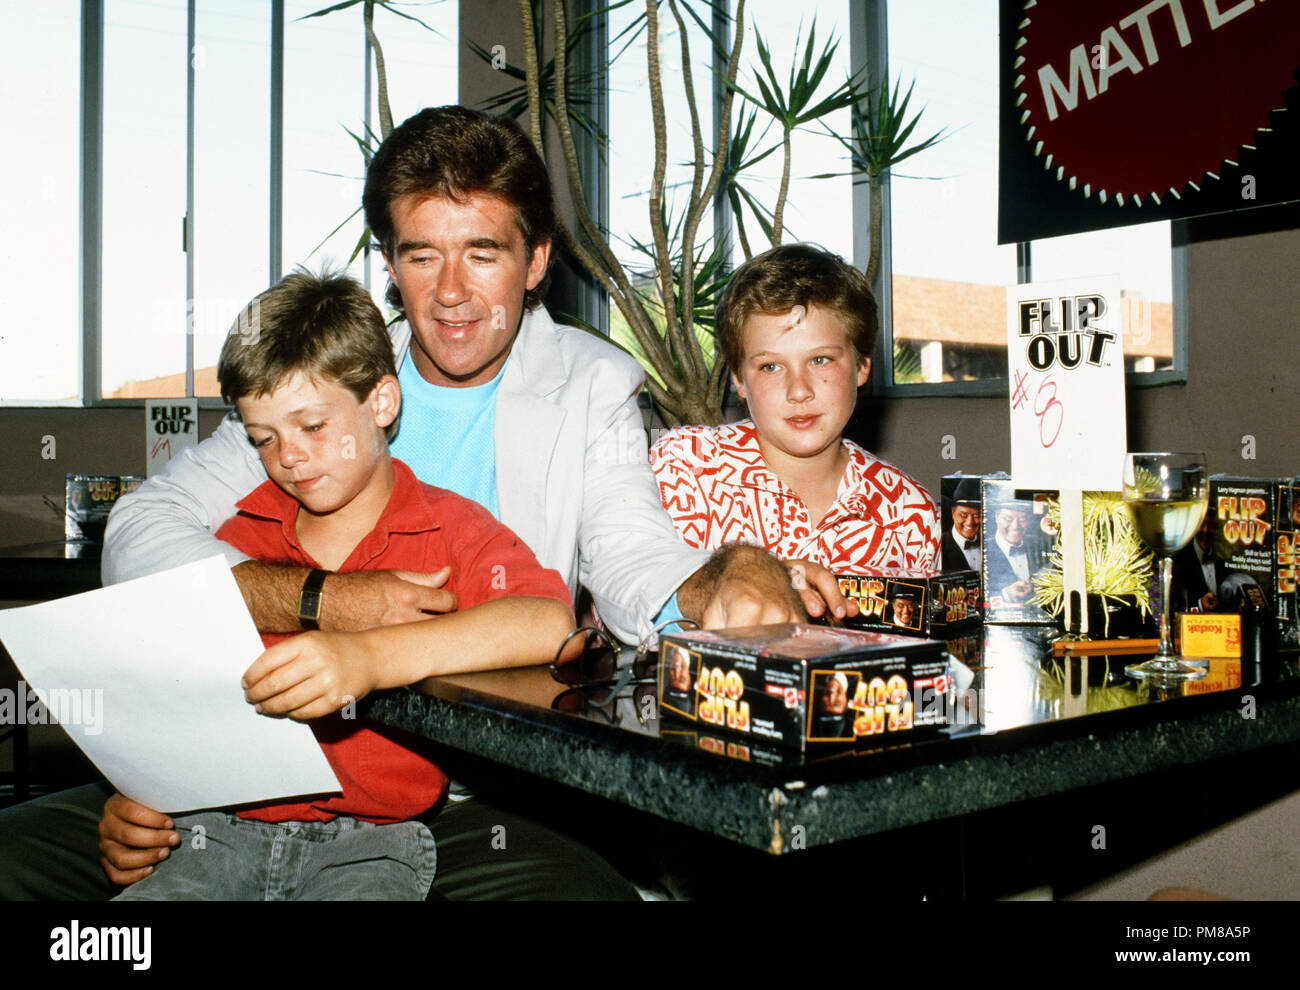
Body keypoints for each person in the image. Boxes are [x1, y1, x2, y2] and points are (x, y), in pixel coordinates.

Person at [4, 106, 839, 901]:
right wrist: (320, 607)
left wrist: (720, 579)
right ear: (390, 264)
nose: (449, 292)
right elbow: (142, 530)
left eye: (483, 252)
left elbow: (627, 553)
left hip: (460, 802)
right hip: (240, 784)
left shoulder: (594, 383)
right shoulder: (323, 383)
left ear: (537, 261)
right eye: (420, 255)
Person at [104, 270, 578, 899]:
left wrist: (370, 656)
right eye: (264, 439)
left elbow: (548, 621)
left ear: (382, 403)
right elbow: (171, 690)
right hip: (213, 833)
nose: (289, 457)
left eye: (313, 426)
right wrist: (137, 794)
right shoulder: (240, 542)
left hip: (374, 846)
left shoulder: (450, 530)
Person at [649, 244, 940, 573]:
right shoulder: (684, 471)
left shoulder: (908, 515)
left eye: (820, 360)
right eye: (771, 366)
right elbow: (624, 605)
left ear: (861, 365)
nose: (799, 391)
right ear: (739, 379)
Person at [984, 501, 1042, 604]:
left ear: (1029, 520)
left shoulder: (1039, 545)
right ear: (997, 517)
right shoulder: (983, 550)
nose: (1015, 526)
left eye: (1022, 519)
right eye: (1008, 519)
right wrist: (1005, 595)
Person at [941, 477, 982, 572]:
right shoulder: (939, 548)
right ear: (953, 513)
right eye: (964, 515)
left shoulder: (990, 543)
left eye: (976, 515)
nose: (970, 522)